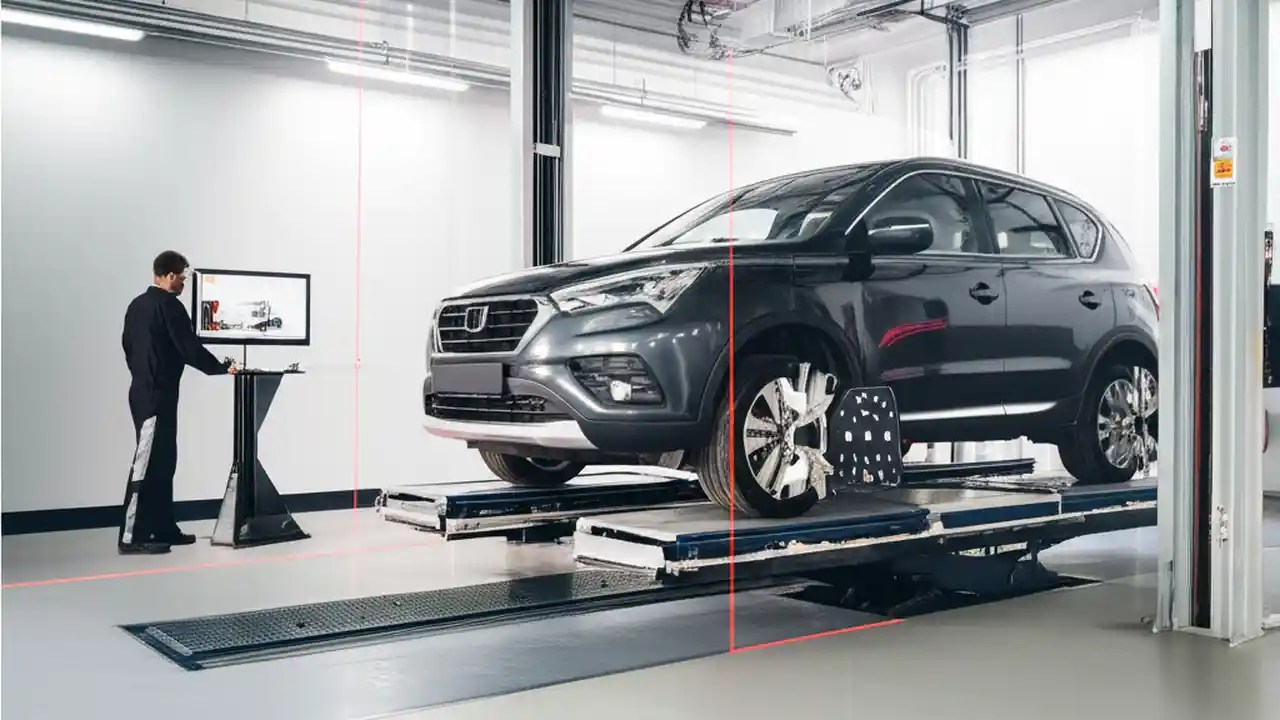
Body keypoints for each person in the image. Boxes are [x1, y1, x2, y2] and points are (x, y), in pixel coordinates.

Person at [119, 251, 236, 554]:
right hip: (156, 394)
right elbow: (189, 348)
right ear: (170, 275)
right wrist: (222, 367)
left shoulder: (136, 305)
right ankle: (132, 537)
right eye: (183, 277)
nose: (184, 282)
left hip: (148, 391)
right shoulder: (170, 305)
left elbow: (128, 345)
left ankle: (163, 528)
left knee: (163, 462)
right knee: (146, 465)